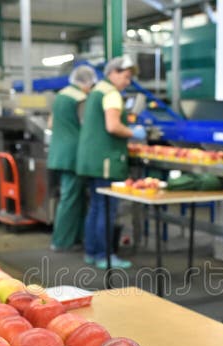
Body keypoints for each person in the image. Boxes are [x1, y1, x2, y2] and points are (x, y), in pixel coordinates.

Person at [76, 55, 146, 269]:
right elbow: (113, 126)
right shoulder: (112, 94)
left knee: (96, 207)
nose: (127, 82)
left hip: (91, 159)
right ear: (112, 73)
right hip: (106, 160)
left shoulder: (96, 91)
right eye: (125, 77)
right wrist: (133, 132)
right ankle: (104, 255)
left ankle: (92, 252)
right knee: (107, 208)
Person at [48, 64, 98, 251]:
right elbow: (89, 127)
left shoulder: (61, 95)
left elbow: (51, 123)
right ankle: (61, 241)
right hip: (74, 153)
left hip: (59, 152)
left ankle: (74, 238)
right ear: (88, 82)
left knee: (72, 196)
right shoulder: (81, 99)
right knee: (70, 197)